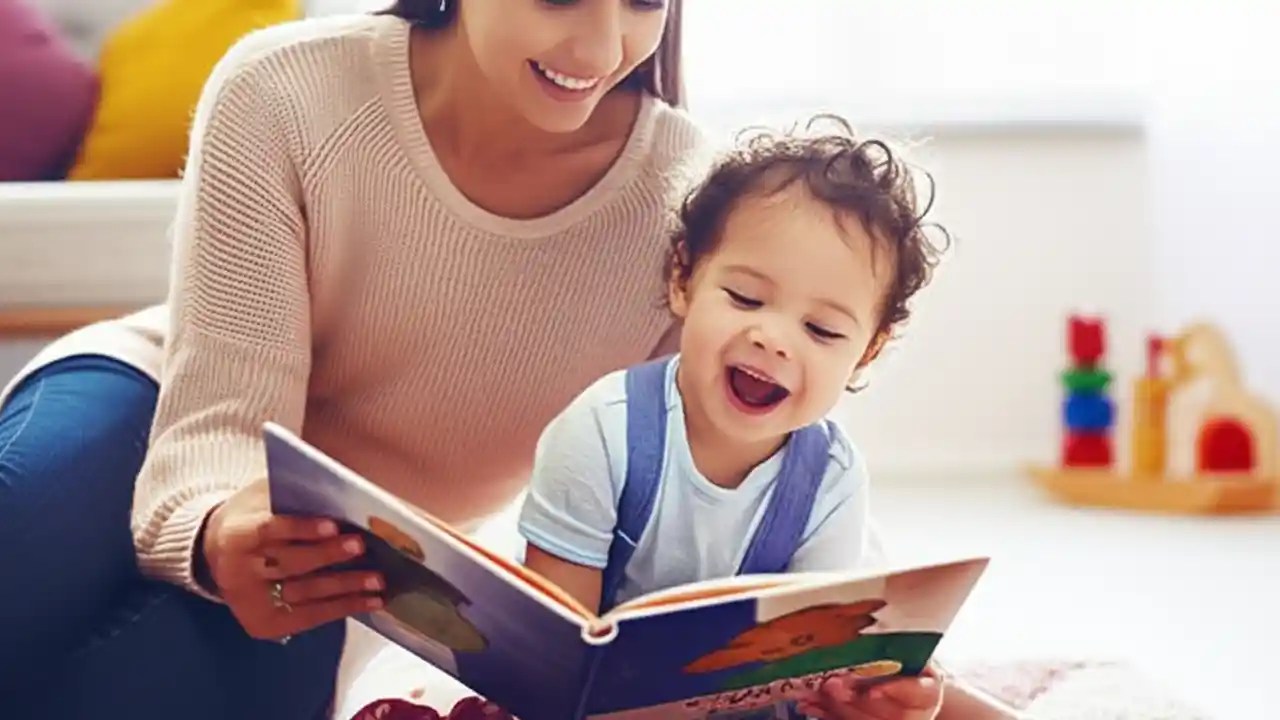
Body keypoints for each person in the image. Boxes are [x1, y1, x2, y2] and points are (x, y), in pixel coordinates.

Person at [0, 0, 705, 716]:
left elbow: (680, 533)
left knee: (120, 686)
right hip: (157, 403)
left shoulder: (695, 210)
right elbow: (221, 411)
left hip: (352, 568)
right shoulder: (285, 86)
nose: (599, 48)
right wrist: (217, 525)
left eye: (644, 1)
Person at [516, 118, 1022, 719]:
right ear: (684, 278)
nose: (774, 339)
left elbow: (812, 677)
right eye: (746, 299)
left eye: (822, 330)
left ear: (867, 351)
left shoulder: (830, 479)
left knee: (931, 699)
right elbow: (549, 658)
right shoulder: (602, 433)